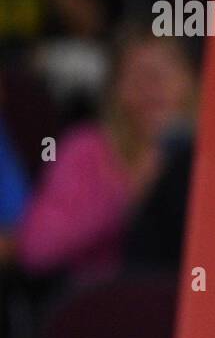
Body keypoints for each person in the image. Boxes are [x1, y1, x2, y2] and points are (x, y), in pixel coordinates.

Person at [15, 26, 195, 284]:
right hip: (111, 307)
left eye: (164, 71)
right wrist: (127, 190)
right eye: (136, 74)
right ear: (114, 89)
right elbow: (36, 248)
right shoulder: (87, 149)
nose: (151, 86)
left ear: (193, 79)